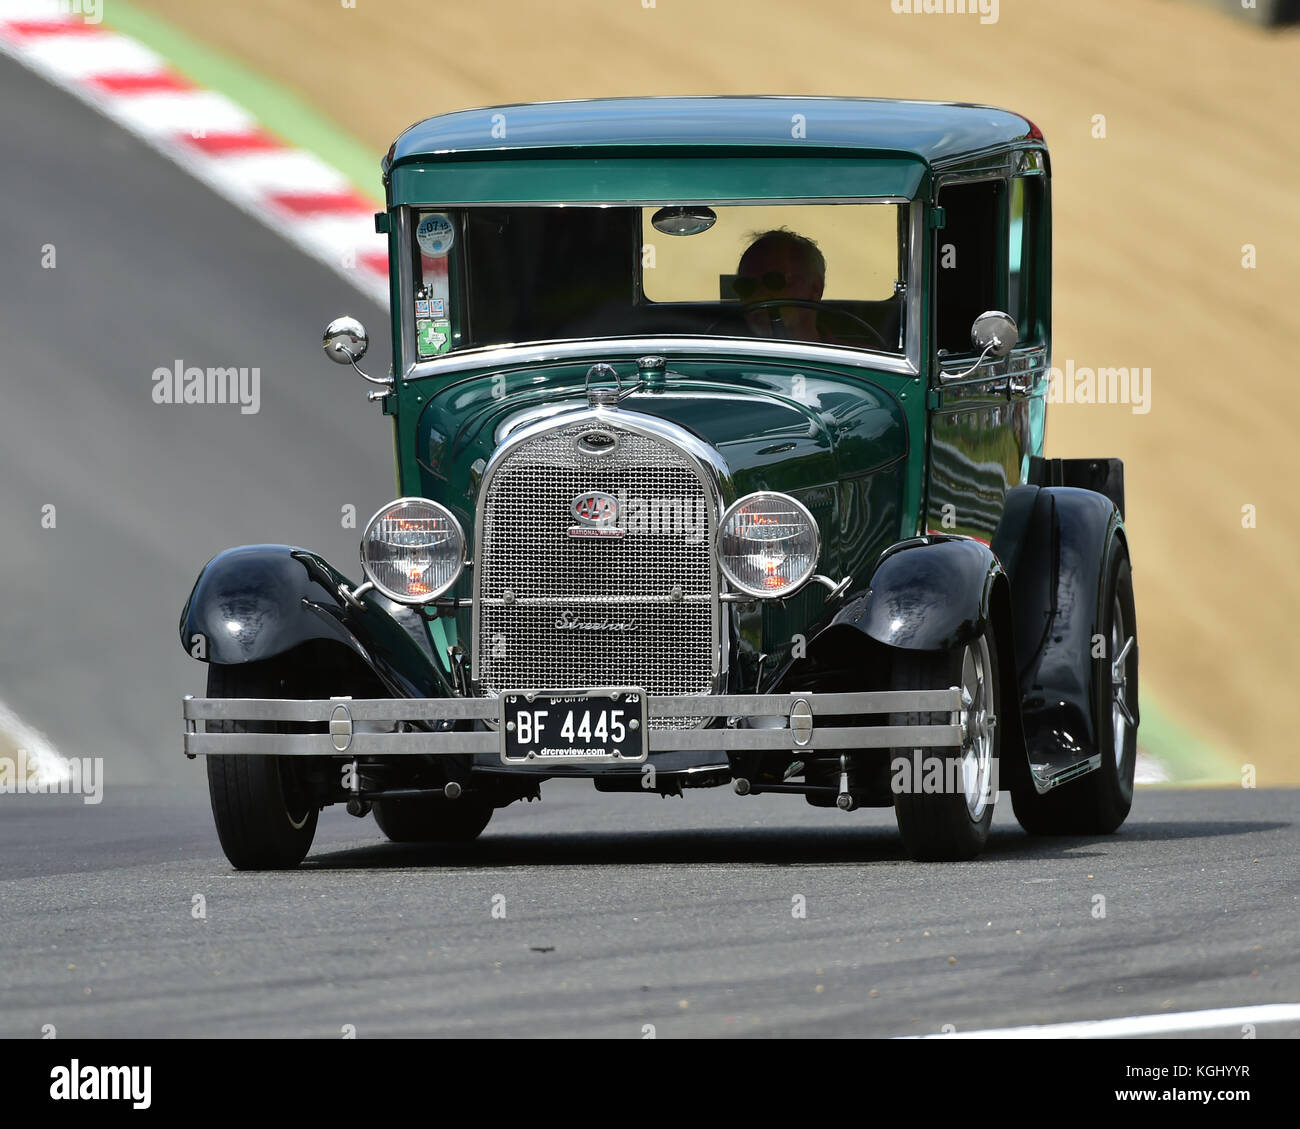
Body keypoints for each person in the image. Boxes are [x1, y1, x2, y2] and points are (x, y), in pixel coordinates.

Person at [734, 229, 827, 342]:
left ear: (814, 289)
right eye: (746, 286)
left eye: (773, 281)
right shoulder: (719, 356)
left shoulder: (849, 357)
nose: (758, 296)